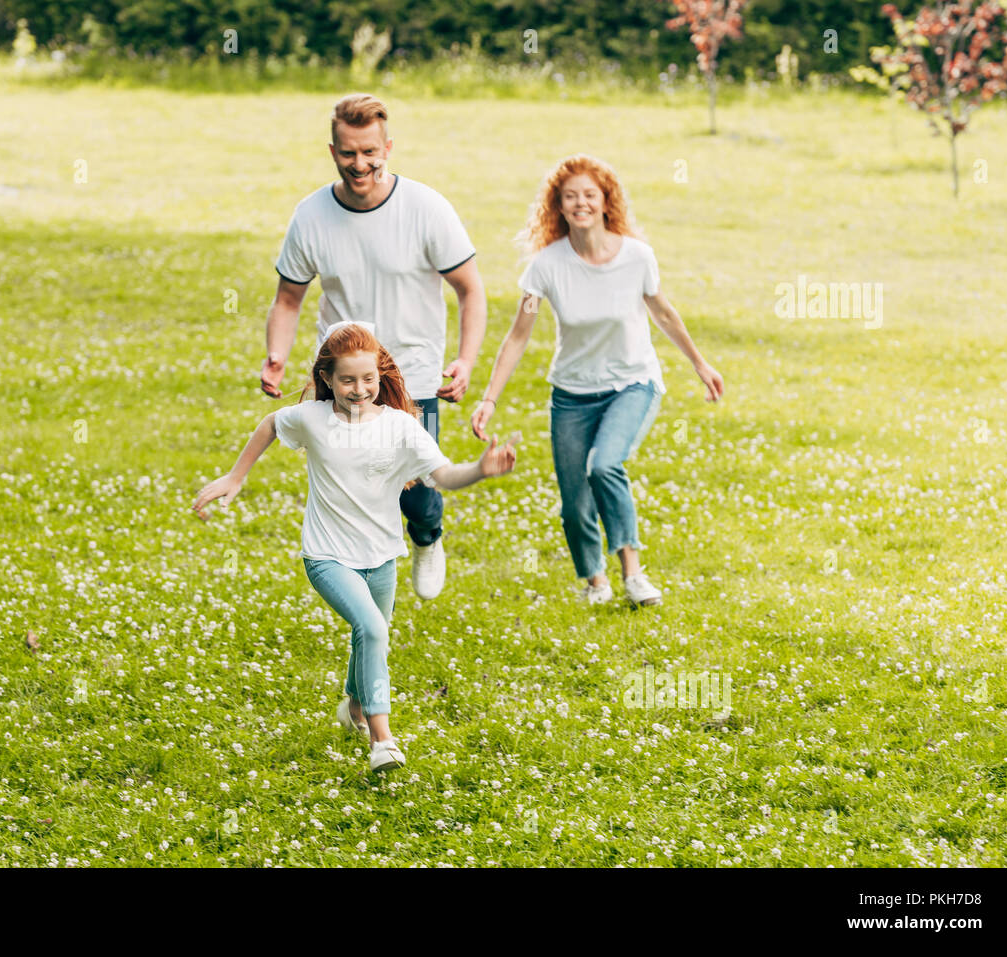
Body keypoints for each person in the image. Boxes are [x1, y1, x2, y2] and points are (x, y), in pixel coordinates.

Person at [195, 322, 516, 773]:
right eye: (347, 379)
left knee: (370, 633)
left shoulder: (403, 427)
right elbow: (271, 422)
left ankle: (354, 707)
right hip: (327, 556)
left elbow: (443, 477)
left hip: (382, 556)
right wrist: (236, 475)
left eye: (367, 379)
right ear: (327, 379)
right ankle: (382, 740)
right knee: (374, 629)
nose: (359, 389)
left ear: (380, 375)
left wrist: (481, 470)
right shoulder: (312, 419)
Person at [260, 92, 488, 602]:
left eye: (369, 152)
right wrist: (276, 355)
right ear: (332, 150)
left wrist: (465, 360)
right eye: (347, 153)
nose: (359, 164)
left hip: (412, 373)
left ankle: (427, 538)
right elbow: (289, 299)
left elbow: (470, 289)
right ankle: (352, 576)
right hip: (340, 376)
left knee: (419, 491)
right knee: (347, 478)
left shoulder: (426, 208)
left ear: (388, 146)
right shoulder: (311, 215)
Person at [471, 155, 723, 607]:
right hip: (571, 393)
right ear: (559, 207)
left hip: (632, 382)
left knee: (605, 465)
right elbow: (517, 335)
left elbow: (663, 312)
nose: (581, 203)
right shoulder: (546, 266)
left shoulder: (636, 257)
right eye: (571, 197)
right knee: (574, 500)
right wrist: (489, 398)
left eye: (590, 195)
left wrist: (701, 365)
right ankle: (595, 580)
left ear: (607, 202)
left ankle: (633, 573)